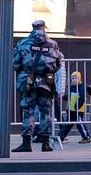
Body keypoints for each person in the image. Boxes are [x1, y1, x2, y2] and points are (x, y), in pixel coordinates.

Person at [12, 20, 61, 152]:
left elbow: (15, 63)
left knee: (28, 112)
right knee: (46, 112)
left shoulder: (23, 43)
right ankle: (46, 143)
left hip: (28, 81)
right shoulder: (53, 44)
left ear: (32, 28)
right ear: (44, 28)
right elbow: (57, 65)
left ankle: (26, 143)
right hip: (46, 82)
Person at [58, 69, 91, 144]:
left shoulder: (81, 86)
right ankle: (61, 137)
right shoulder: (72, 87)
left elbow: (82, 97)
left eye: (76, 78)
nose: (74, 80)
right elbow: (70, 96)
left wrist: (77, 106)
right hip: (70, 109)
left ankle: (86, 137)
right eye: (72, 78)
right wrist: (64, 97)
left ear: (79, 78)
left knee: (80, 123)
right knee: (67, 124)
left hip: (78, 110)